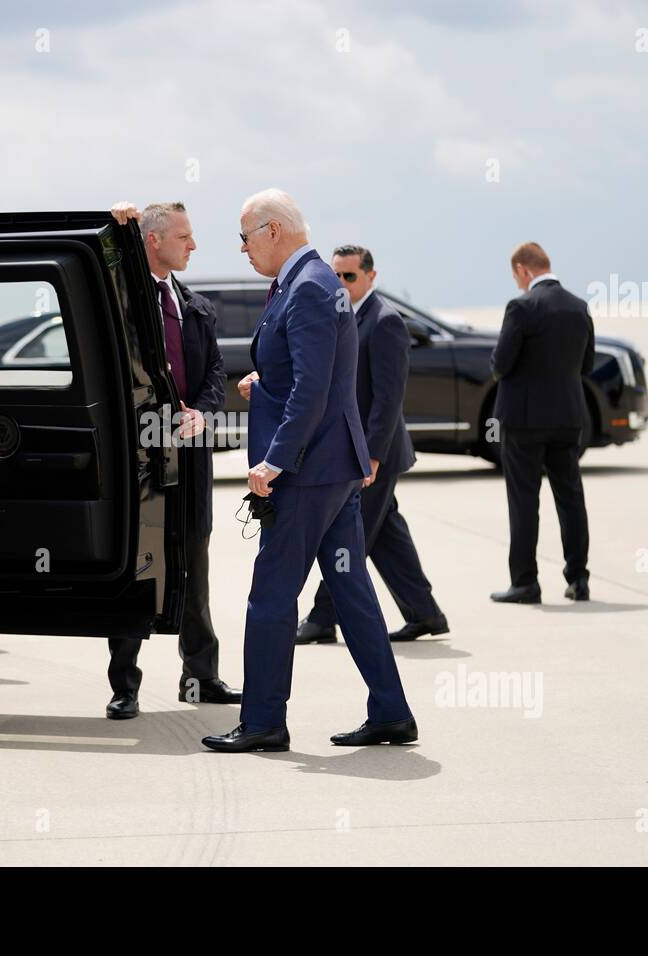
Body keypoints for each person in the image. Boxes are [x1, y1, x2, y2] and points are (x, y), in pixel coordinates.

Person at [201, 189, 416, 753]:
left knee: (271, 594)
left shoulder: (310, 288)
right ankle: (392, 711)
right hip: (332, 470)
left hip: (308, 473)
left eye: (245, 236)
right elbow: (304, 375)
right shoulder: (312, 284)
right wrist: (263, 386)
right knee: (351, 591)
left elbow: (315, 390)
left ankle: (264, 720)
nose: (243, 248)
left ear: (273, 231)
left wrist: (275, 460)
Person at [105, 201, 242, 719]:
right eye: (184, 237)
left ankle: (201, 675)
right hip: (141, 453)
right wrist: (119, 227)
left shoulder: (195, 306)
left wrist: (202, 414)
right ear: (154, 240)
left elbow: (214, 374)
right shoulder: (125, 301)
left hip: (191, 452)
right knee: (138, 565)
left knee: (195, 562)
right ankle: (125, 687)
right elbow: (109, 272)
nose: (193, 245)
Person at [296, 245, 448, 644]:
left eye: (350, 276)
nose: (342, 283)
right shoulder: (343, 314)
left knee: (348, 535)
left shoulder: (384, 322)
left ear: (370, 277)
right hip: (355, 449)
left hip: (373, 454)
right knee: (386, 536)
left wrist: (374, 456)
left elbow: (388, 398)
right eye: (337, 276)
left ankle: (322, 617)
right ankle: (425, 613)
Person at [488, 242, 593, 604]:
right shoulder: (578, 307)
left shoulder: (522, 307)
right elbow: (588, 364)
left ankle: (525, 582)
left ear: (523, 270)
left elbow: (501, 363)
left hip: (524, 420)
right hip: (568, 417)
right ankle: (578, 578)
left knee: (523, 500)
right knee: (570, 497)